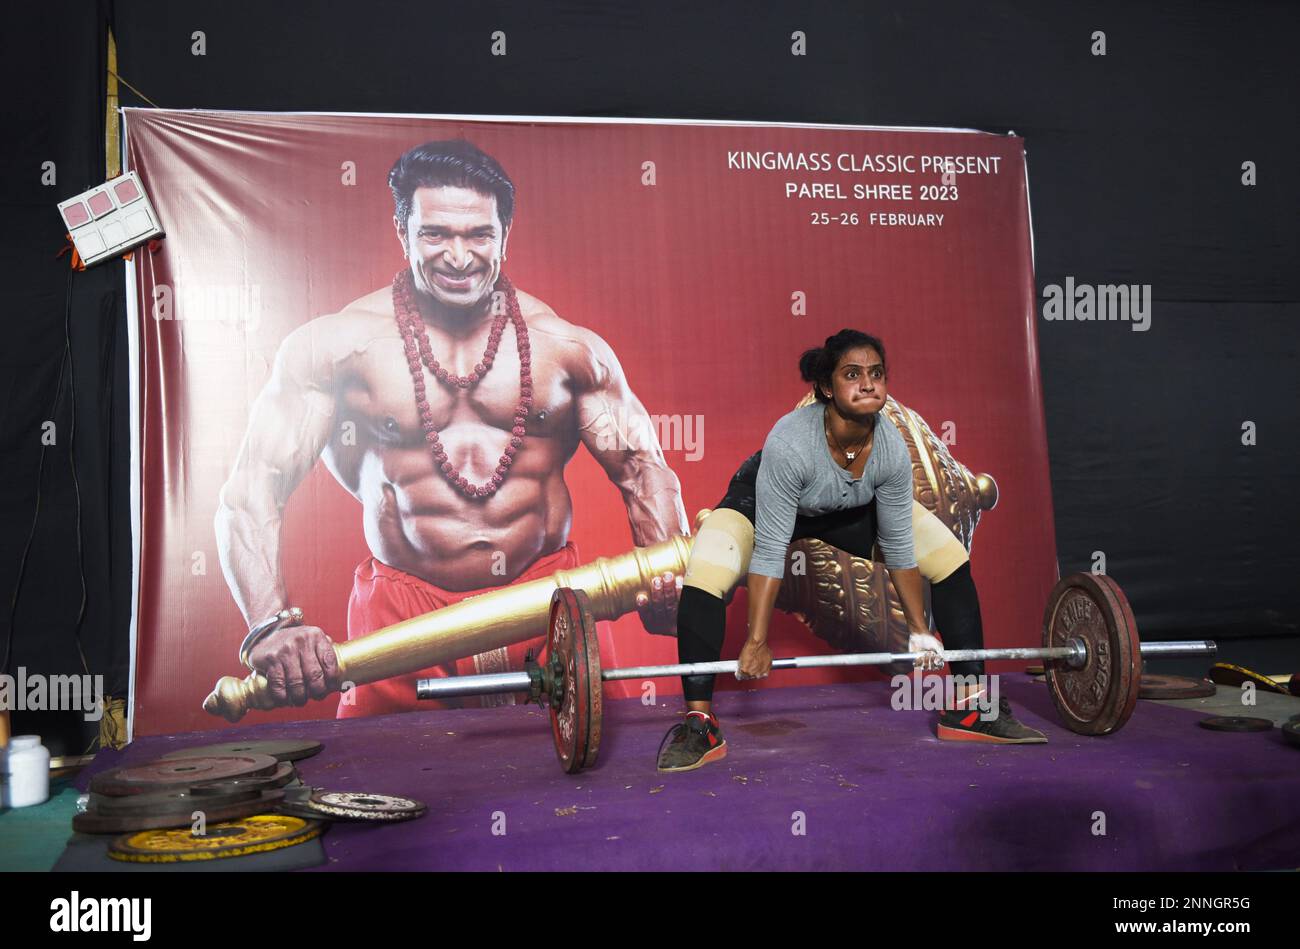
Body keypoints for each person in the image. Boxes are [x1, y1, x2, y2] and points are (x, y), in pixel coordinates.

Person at [216, 139, 688, 717]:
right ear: (402, 232)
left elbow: (643, 469)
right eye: (435, 234)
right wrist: (269, 625)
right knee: (383, 790)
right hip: (403, 617)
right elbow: (251, 491)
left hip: (549, 603)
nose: (459, 257)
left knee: (598, 791)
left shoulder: (567, 350)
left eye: (478, 236)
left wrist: (670, 570)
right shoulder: (335, 350)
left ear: (504, 236)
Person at [657, 329, 1046, 772]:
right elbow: (770, 546)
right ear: (826, 387)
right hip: (760, 505)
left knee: (948, 557)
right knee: (707, 569)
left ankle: (973, 708)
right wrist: (757, 640)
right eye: (853, 374)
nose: (868, 384)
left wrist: (920, 630)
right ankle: (699, 724)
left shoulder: (891, 448)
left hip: (846, 510)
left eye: (876, 373)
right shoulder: (790, 442)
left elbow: (899, 543)